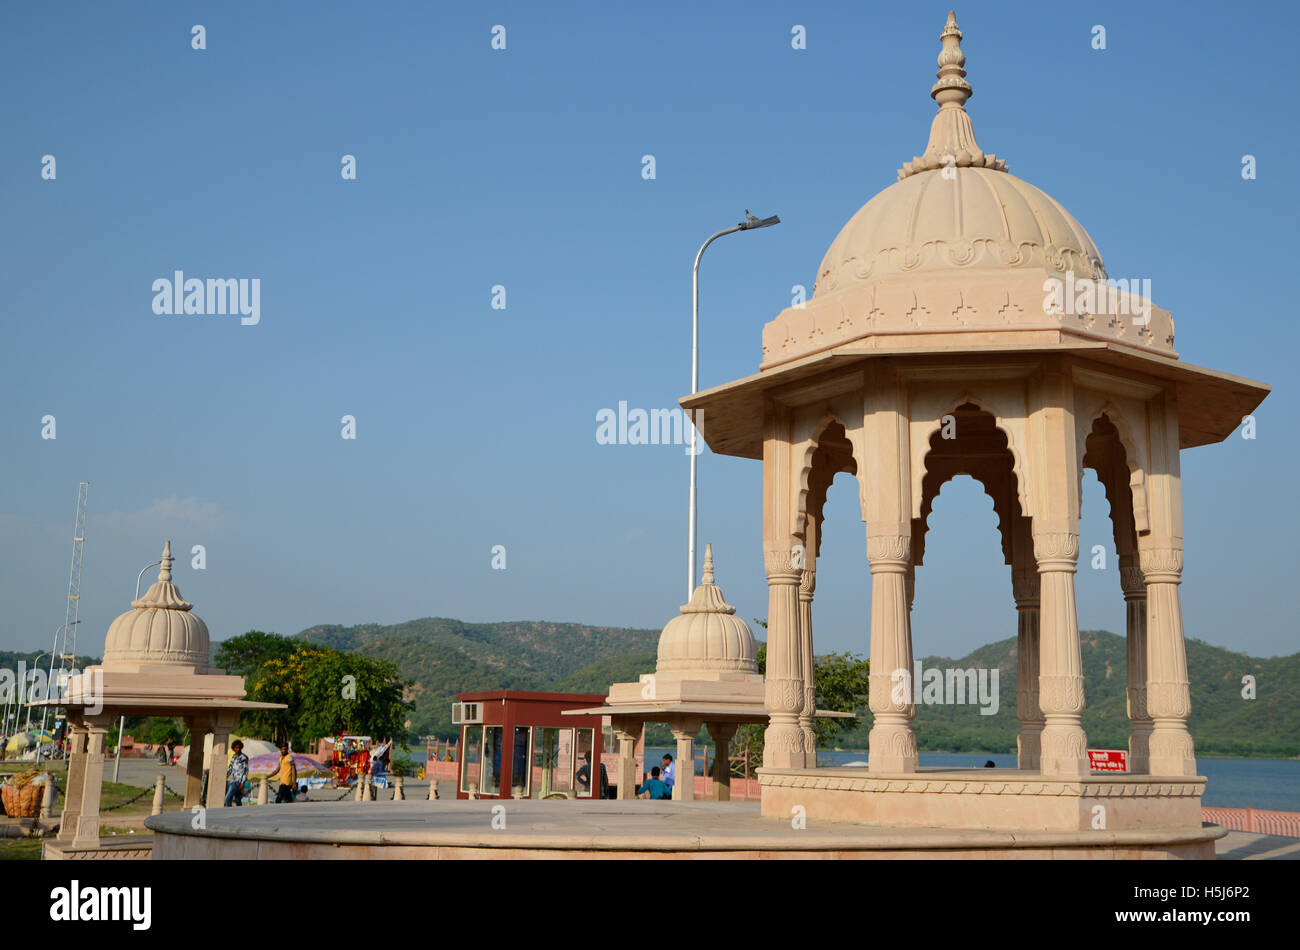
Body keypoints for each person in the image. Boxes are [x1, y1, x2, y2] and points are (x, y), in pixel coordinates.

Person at [225, 740, 249, 806]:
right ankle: (241, 813)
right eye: (236, 748)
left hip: (238, 782)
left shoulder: (244, 757)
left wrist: (243, 783)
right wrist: (225, 777)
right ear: (233, 748)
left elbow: (246, 771)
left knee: (227, 798)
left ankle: (229, 812)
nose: (237, 749)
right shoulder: (233, 757)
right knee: (238, 800)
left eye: (239, 748)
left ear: (241, 748)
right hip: (232, 780)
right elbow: (230, 768)